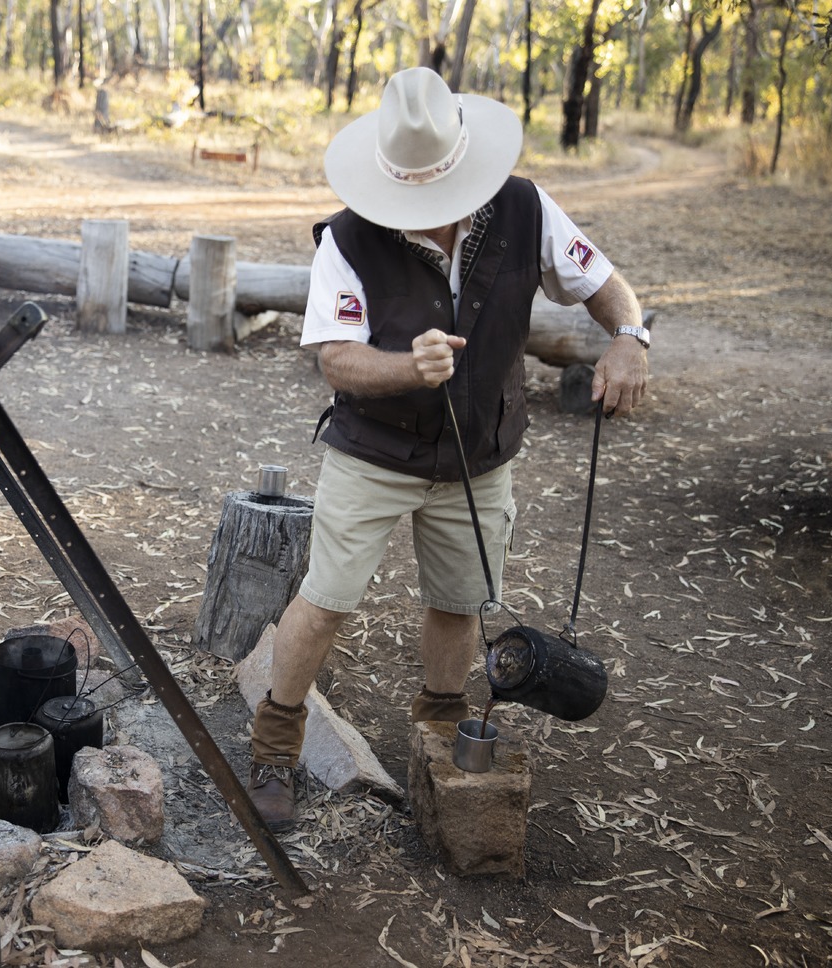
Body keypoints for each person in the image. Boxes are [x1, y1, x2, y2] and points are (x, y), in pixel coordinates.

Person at [247, 67, 651, 829]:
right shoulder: (348, 236)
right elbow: (334, 358)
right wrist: (407, 367)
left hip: (481, 457)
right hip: (373, 452)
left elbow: (601, 281)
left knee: (458, 603)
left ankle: (438, 740)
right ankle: (273, 747)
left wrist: (629, 337)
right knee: (326, 601)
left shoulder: (526, 208)